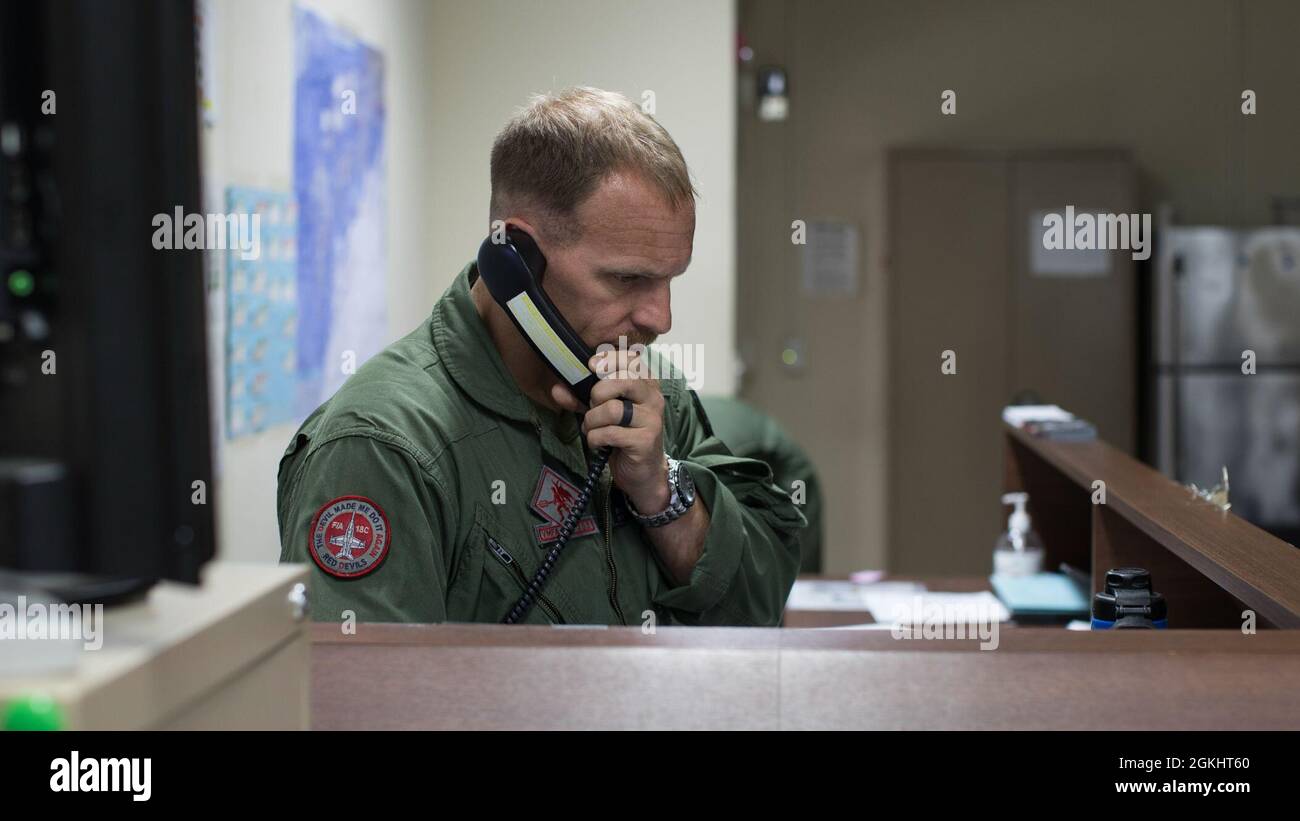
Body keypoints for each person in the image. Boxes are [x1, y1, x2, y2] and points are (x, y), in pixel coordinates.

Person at [277, 87, 804, 626]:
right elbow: (362, 697)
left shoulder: (648, 394)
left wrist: (660, 491)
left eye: (669, 280)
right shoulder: (382, 446)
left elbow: (758, 609)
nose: (659, 319)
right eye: (627, 278)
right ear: (515, 260)